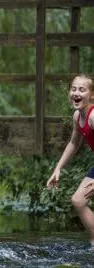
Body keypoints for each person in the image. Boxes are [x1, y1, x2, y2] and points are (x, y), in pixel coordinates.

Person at [46, 74, 94, 250]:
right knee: (78, 200)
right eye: (73, 89)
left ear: (92, 95)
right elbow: (73, 143)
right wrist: (57, 169)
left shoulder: (92, 116)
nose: (76, 92)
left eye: (82, 89)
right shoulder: (77, 116)